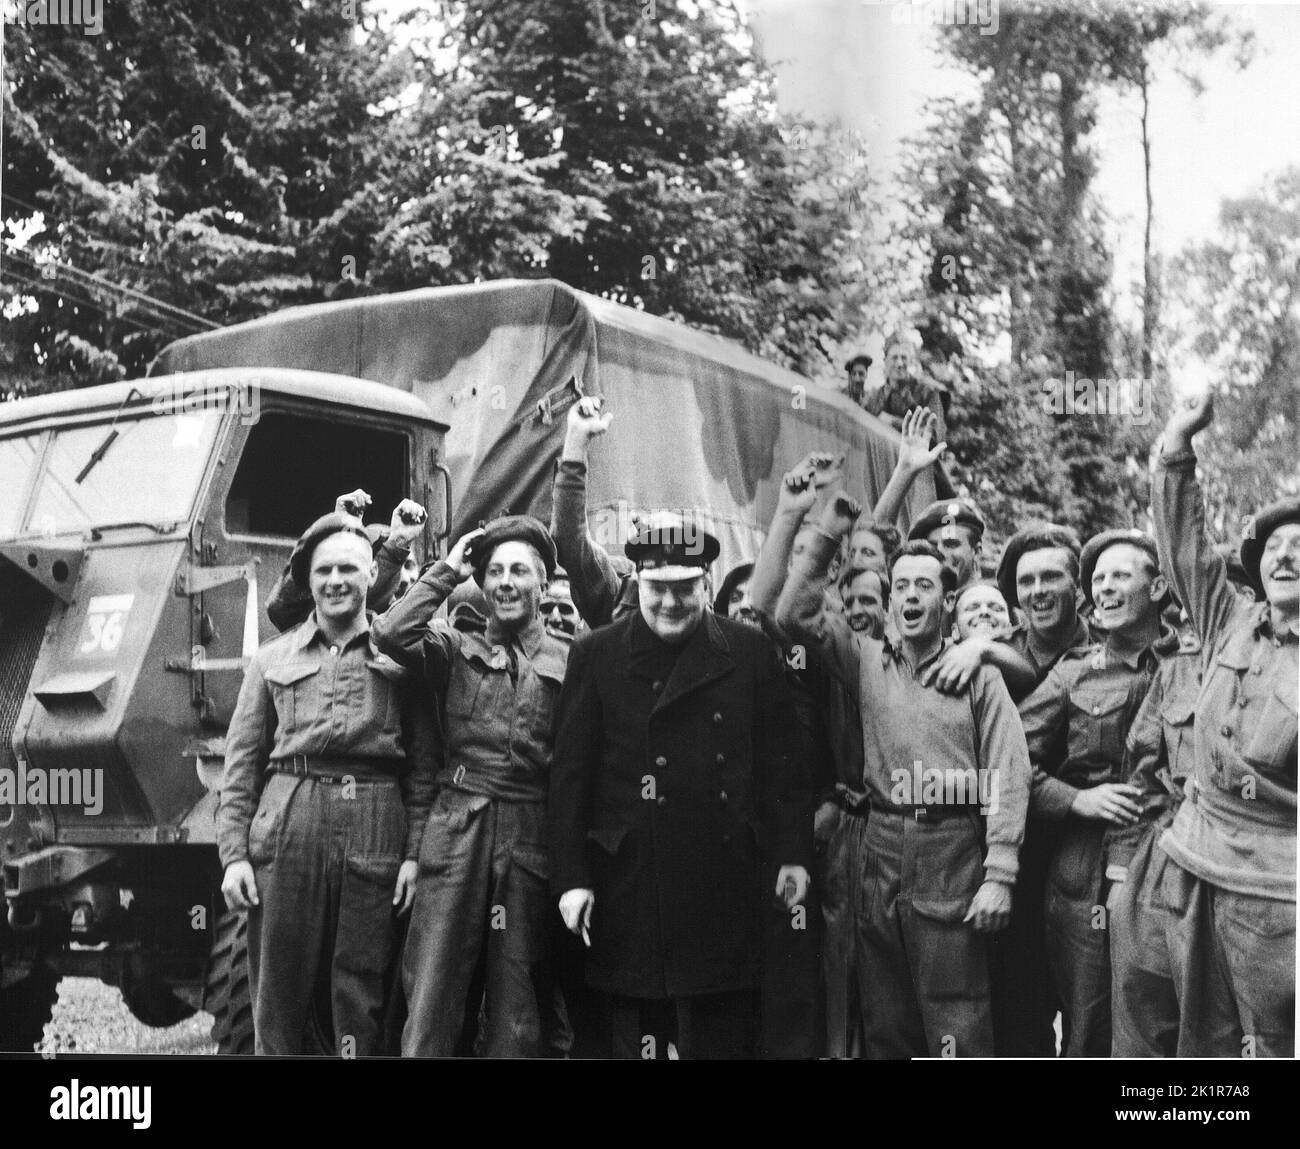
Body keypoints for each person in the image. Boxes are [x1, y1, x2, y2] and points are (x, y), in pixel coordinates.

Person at [548, 512, 812, 1059]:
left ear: (706, 585)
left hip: (725, 882)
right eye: (657, 589)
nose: (670, 602)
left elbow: (783, 771)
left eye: (684, 589)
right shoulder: (596, 654)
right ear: (637, 583)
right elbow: (570, 781)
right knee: (631, 1035)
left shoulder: (750, 652)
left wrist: (792, 857)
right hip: (628, 885)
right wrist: (572, 879)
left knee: (719, 1035)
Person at [777, 498, 1031, 1058]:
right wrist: (828, 533)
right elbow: (792, 612)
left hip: (953, 850)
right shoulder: (866, 659)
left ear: (947, 599)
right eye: (902, 586)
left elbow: (1010, 772)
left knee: (957, 1016)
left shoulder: (977, 675)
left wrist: (1001, 874)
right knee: (884, 1017)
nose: (911, 596)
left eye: (924, 586)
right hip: (881, 848)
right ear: (890, 599)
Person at [217, 510, 438, 1055]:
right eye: (323, 571)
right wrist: (234, 857)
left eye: (349, 569)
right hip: (288, 825)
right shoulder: (271, 660)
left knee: (359, 989)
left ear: (372, 576)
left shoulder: (404, 656)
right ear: (307, 580)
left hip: (375, 828)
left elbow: (425, 770)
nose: (336, 580)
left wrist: (413, 855)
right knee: (279, 992)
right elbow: (241, 766)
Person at [373, 514, 571, 1058]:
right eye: (494, 572)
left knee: (518, 1005)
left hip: (530, 838)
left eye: (520, 571)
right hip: (456, 832)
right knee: (434, 991)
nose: (506, 582)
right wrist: (446, 569)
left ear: (543, 584)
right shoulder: (453, 648)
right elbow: (389, 633)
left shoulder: (571, 661)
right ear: (480, 584)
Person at [1152, 393, 1297, 1058]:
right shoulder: (1229, 619)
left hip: (1276, 888)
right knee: (1196, 1036)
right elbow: (1183, 545)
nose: (1285, 556)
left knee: (1271, 1042)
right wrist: (1179, 441)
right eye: (1274, 547)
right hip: (1189, 858)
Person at [1017, 528, 1172, 1057]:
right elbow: (1006, 760)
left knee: (1169, 1020)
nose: (1103, 589)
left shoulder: (1192, 664)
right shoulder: (1074, 674)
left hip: (1173, 864)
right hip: (1086, 874)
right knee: (1091, 1023)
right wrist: (1074, 799)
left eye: (1119, 576)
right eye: (1097, 579)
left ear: (1157, 588)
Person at [264, 489, 422, 632]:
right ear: (372, 572)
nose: (404, 579)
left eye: (408, 565)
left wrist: (399, 543)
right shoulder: (339, 615)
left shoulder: (418, 624)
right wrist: (340, 527)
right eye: (387, 566)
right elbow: (281, 611)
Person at [864, 330, 948, 443]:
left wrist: (895, 422)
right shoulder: (874, 398)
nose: (899, 364)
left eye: (904, 358)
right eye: (894, 358)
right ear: (885, 361)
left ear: (911, 361)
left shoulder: (928, 392)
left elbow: (936, 437)